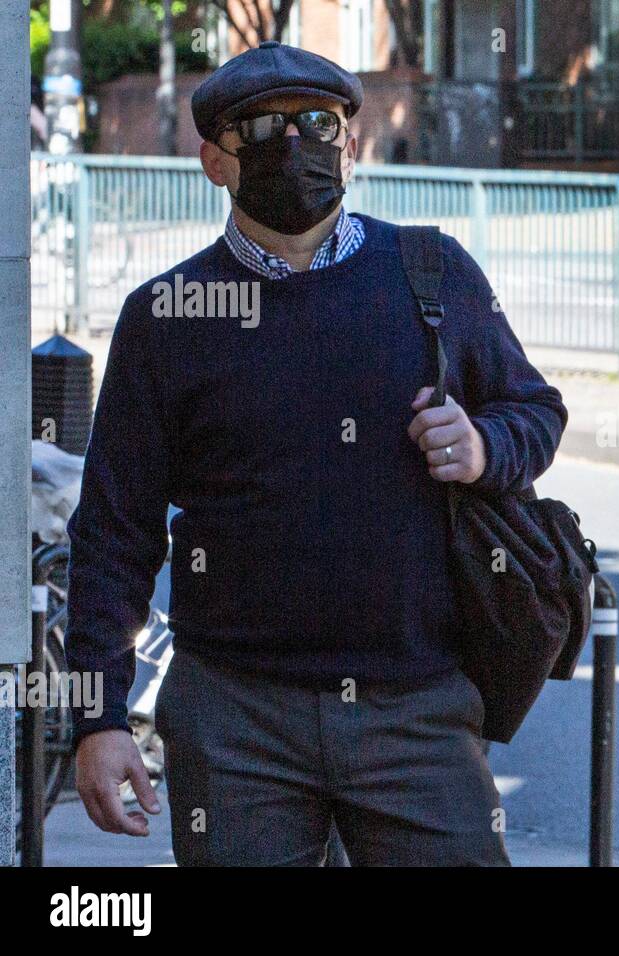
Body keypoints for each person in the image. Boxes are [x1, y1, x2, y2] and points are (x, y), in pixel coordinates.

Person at [65, 41, 566, 866]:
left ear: (354, 147)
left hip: (417, 707)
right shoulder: (165, 316)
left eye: (317, 123)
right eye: (260, 129)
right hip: (235, 717)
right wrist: (100, 718)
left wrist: (484, 445)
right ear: (213, 163)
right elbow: (113, 531)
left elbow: (536, 410)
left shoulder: (432, 273)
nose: (292, 144)